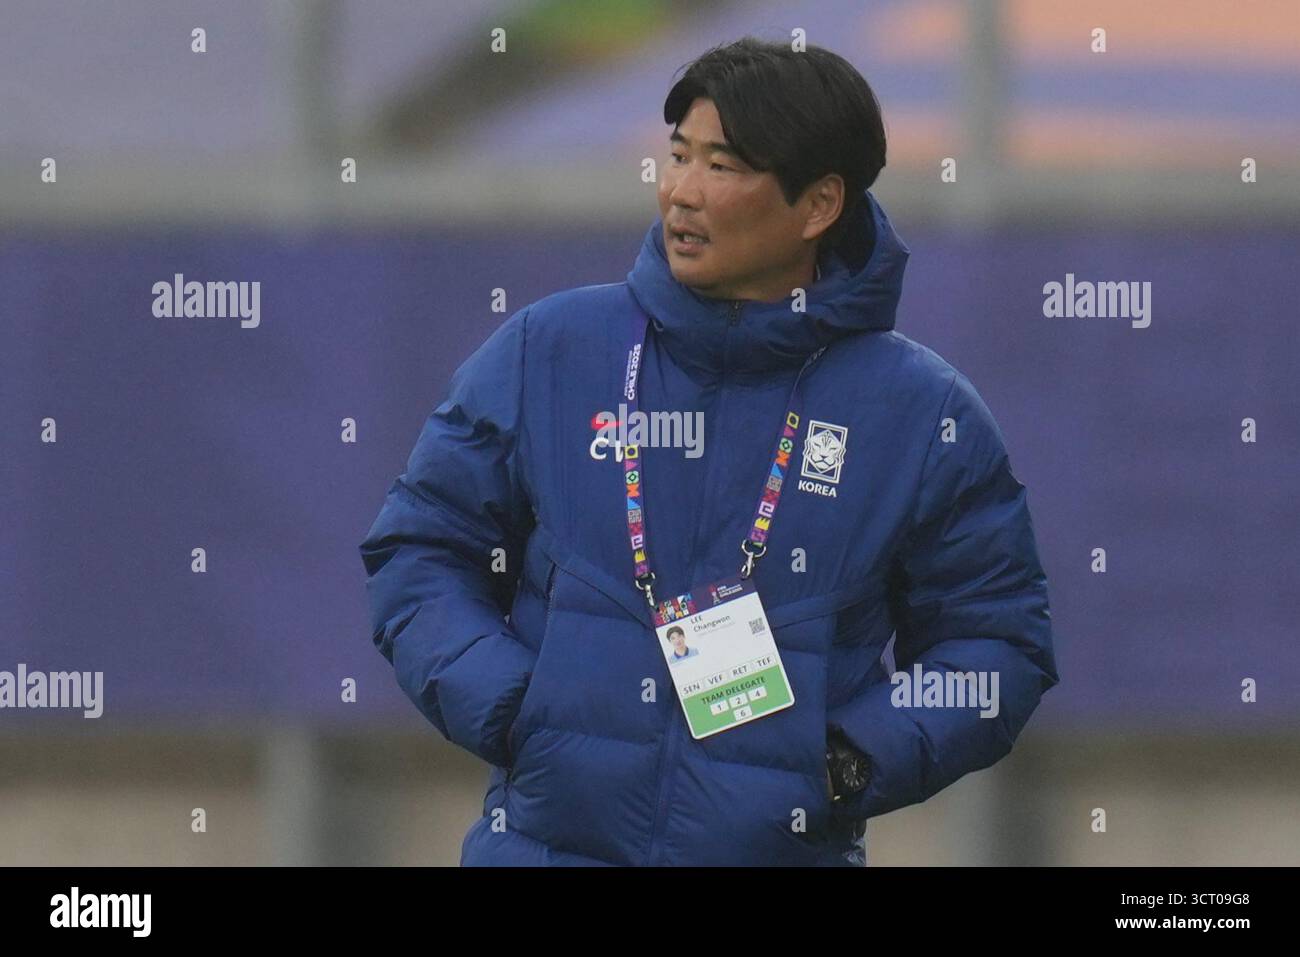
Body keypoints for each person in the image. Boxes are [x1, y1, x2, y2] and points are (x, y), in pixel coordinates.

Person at [359, 37, 1058, 867]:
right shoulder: (550, 351)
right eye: (677, 155)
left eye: (722, 167)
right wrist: (517, 707)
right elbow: (421, 547)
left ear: (818, 204)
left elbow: (995, 643)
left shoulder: (920, 412)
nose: (679, 192)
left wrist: (848, 760)